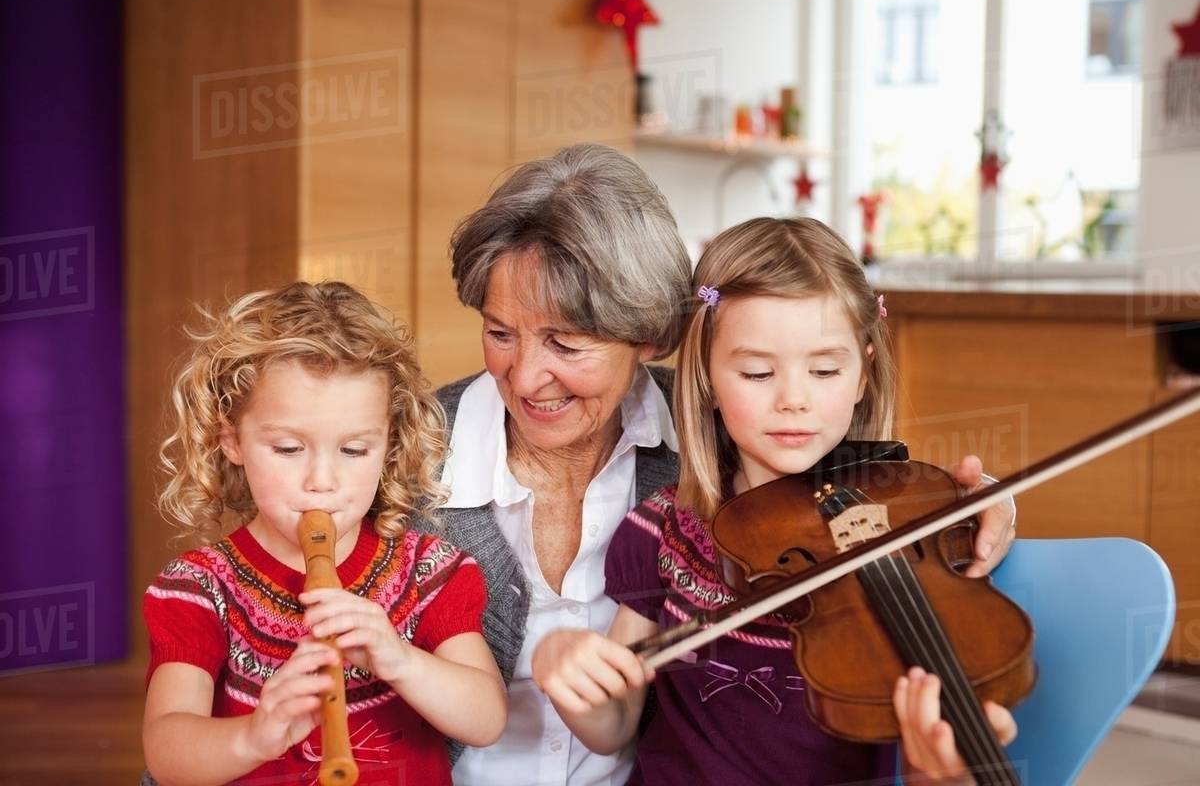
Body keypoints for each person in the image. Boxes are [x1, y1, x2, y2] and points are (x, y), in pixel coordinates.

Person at [414, 144, 1016, 785]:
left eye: (566, 342)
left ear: (645, 335)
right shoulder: (396, 452)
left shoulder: (720, 419)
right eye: (501, 333)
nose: (528, 376)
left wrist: (988, 501)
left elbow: (851, 475)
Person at [141, 281, 506, 786]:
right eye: (289, 449)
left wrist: (399, 659)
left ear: (389, 444)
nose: (321, 482)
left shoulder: (429, 571)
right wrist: (253, 735)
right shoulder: (201, 587)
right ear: (232, 441)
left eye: (354, 450)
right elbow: (167, 753)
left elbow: (486, 719)